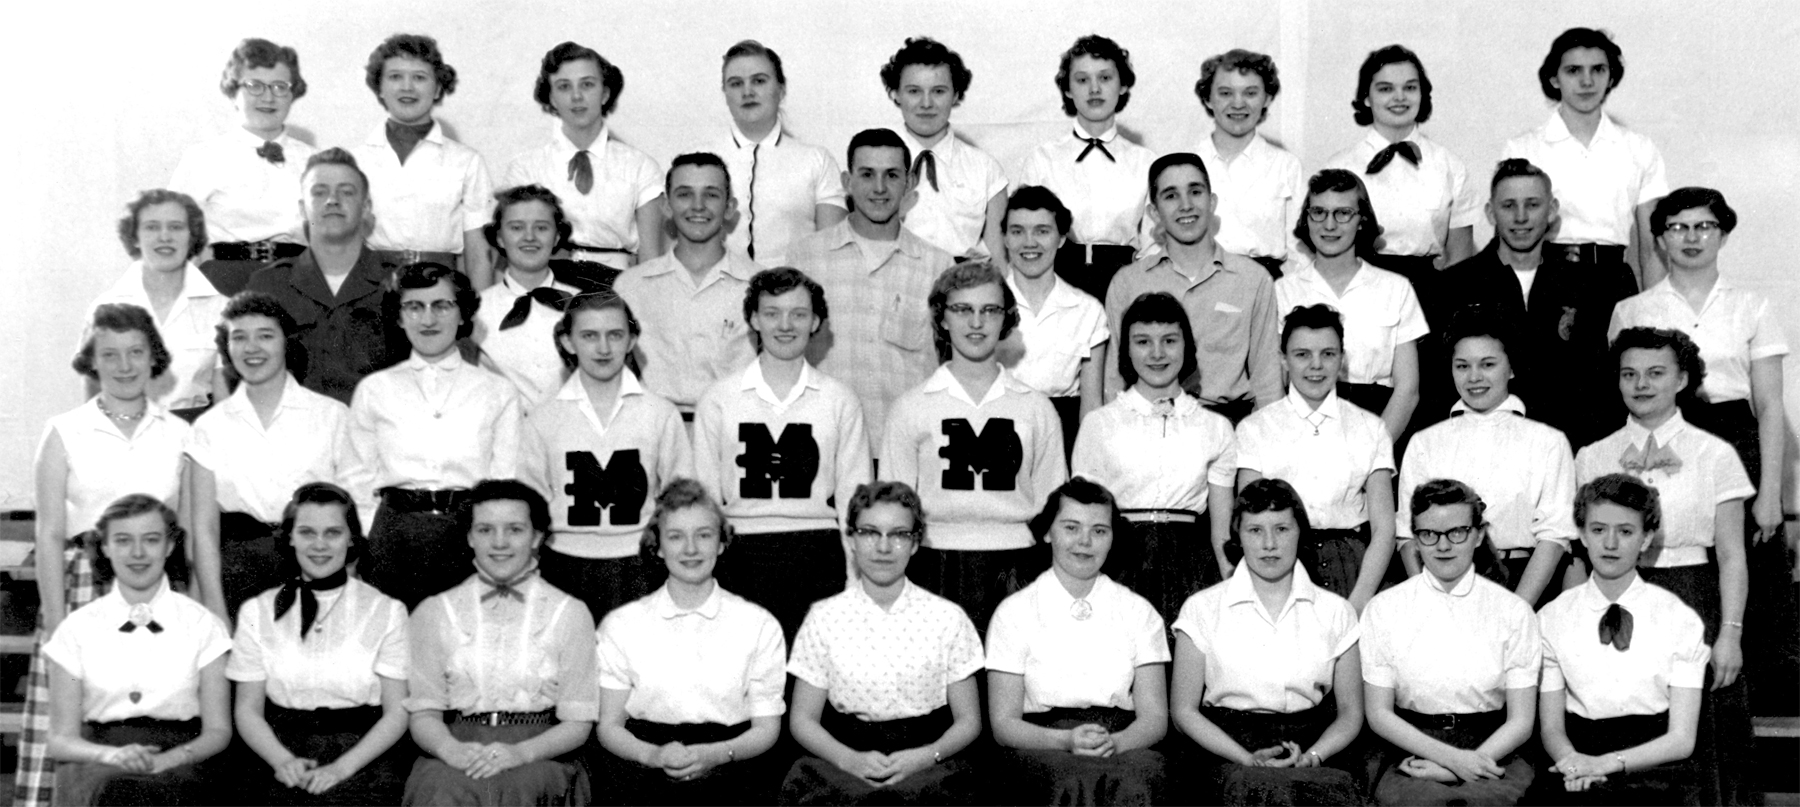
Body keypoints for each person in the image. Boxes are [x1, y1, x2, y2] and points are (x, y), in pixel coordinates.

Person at [1611, 187, 1796, 719]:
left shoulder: (1751, 306)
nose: (1691, 238)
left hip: (1738, 439)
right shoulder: (1633, 308)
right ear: (1661, 239)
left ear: (1723, 234)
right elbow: (1628, 390)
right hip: (1665, 435)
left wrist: (1770, 494)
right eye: (1678, 227)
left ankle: (1750, 699)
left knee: (1750, 566)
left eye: (1704, 226)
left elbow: (1768, 403)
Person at [18, 305, 194, 807]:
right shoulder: (65, 430)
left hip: (155, 587)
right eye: (109, 355)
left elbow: (187, 534)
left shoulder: (179, 433)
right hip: (81, 586)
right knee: (75, 720)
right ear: (90, 362)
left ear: (153, 358)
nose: (123, 365)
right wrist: (56, 622)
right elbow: (50, 532)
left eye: (135, 352)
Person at [1574, 326, 1755, 806]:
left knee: (1704, 722)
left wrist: (1731, 632)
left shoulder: (1715, 454)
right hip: (1617, 592)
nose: (1641, 384)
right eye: (1629, 373)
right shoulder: (1593, 455)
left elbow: (1732, 554)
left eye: (1656, 373)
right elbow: (1580, 550)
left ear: (1682, 379)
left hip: (1692, 592)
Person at [881, 261, 1067, 633]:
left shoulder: (1035, 408)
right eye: (963, 310)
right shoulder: (911, 407)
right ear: (942, 318)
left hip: (1017, 568)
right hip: (934, 564)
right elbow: (893, 512)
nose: (976, 322)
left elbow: (1053, 510)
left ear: (1006, 319)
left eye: (990, 310)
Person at [778, 481, 985, 805]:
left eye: (899, 534)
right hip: (845, 756)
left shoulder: (948, 618)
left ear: (916, 543)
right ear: (851, 539)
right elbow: (802, 720)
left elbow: (969, 720)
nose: (883, 547)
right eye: (870, 532)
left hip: (928, 757)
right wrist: (848, 759)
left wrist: (926, 756)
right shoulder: (824, 617)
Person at [694, 267, 871, 641]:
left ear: (817, 321)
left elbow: (853, 500)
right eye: (772, 313)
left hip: (816, 553)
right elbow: (705, 499)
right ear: (754, 319)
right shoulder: (719, 399)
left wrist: (856, 580)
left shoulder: (840, 399)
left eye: (799, 314)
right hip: (740, 552)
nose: (785, 325)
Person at [1169, 478, 1364, 806]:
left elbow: (1350, 713)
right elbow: (1183, 712)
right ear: (1238, 537)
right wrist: (1245, 759)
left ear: (1300, 532)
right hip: (1225, 750)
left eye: (1282, 529)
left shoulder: (1337, 611)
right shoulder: (1202, 608)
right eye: (1255, 530)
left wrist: (1314, 756)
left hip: (1310, 748)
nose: (1269, 543)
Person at [340, 262, 523, 608]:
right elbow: (357, 480)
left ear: (463, 314)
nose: (428, 320)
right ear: (398, 316)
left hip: (466, 538)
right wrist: (366, 548)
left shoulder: (497, 391)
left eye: (441, 306)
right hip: (393, 537)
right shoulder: (375, 390)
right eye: (414, 307)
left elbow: (505, 479)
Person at [402, 480, 597, 805]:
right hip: (458, 747)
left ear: (536, 537)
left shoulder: (570, 613)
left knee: (526, 785)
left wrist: (521, 753)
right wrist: (453, 751)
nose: (500, 542)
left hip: (540, 750)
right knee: (441, 786)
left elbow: (578, 723)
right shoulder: (434, 612)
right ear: (469, 536)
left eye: (515, 529)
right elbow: (423, 714)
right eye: (485, 529)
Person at [596, 479, 787, 805]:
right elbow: (609, 726)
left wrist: (715, 754)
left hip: (731, 764)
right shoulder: (621, 625)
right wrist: (653, 755)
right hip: (645, 764)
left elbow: (767, 730)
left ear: (722, 543)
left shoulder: (758, 624)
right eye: (676, 537)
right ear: (657, 547)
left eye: (704, 535)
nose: (690, 549)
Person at [987, 478, 1170, 806]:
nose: (1085, 542)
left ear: (1113, 538)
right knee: (1067, 782)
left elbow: (1155, 718)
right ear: (1047, 532)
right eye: (1071, 527)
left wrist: (1113, 744)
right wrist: (1066, 740)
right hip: (1043, 744)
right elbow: (1003, 724)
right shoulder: (1014, 612)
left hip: (1122, 742)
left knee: (1140, 780)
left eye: (1099, 530)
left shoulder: (1139, 611)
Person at [228, 482, 412, 806]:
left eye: (333, 533)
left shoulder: (386, 611)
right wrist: (282, 761)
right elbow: (247, 709)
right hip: (278, 748)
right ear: (289, 537)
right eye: (307, 532)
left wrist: (342, 769)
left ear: (351, 538)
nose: (319, 545)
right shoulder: (257, 610)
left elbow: (396, 714)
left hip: (362, 753)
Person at [44, 495, 233, 806]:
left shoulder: (203, 624)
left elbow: (218, 730)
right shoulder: (77, 628)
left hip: (184, 754)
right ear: (104, 546)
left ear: (169, 546)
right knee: (117, 791)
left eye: (151, 539)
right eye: (122, 540)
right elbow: (60, 740)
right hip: (99, 756)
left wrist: (170, 759)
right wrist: (114, 755)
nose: (137, 553)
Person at [1361, 479, 1541, 806]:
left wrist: (1463, 766)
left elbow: (1521, 721)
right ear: (1415, 539)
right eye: (1429, 535)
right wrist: (1450, 759)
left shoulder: (1514, 612)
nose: (1443, 546)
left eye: (1457, 532)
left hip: (1494, 749)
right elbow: (1378, 713)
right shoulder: (1384, 609)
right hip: (1411, 749)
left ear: (1479, 534)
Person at [1532, 474, 1709, 805]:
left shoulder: (1678, 619)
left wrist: (1605, 765)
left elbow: (1682, 739)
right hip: (1576, 757)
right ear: (1582, 534)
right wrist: (1573, 763)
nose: (1610, 544)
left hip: (1653, 765)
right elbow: (1552, 728)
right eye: (1598, 530)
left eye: (1625, 532)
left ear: (1646, 539)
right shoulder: (1551, 618)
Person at [519, 292, 693, 623]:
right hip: (564, 564)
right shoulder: (543, 419)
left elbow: (680, 499)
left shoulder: (660, 413)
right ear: (567, 342)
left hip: (639, 565)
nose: (603, 348)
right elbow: (530, 504)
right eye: (589, 336)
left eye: (615, 335)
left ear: (632, 340)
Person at [1428, 158, 1626, 444]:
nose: (1521, 217)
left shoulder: (1587, 286)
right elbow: (1439, 384)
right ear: (1490, 212)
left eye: (1532, 204)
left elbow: (1599, 382)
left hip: (1570, 442)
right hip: (1479, 443)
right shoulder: (1453, 286)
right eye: (1508, 206)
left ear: (1552, 210)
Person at [787, 128, 956, 461]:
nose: (879, 188)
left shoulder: (939, 266)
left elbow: (950, 368)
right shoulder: (805, 259)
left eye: (891, 175)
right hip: (820, 449)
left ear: (909, 184)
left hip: (907, 452)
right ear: (847, 182)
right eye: (867, 175)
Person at [1074, 291, 1237, 627]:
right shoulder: (1099, 423)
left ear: (1186, 347)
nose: (1157, 353)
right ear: (1126, 350)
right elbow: (1085, 519)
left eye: (1169, 340)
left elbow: (1223, 533)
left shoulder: (1215, 427)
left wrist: (1233, 591)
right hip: (1121, 562)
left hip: (1191, 565)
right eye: (1143, 341)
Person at [1397, 311, 1576, 608]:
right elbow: (1406, 532)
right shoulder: (1425, 442)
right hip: (1444, 584)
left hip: (1525, 582)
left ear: (1511, 368)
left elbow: (1555, 536)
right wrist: (1430, 601)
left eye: (1488, 364)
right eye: (1462, 366)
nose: (1474, 377)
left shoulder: (1548, 441)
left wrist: (1518, 609)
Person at [189, 292, 349, 623]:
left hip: (315, 564)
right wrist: (216, 609)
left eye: (265, 336)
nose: (252, 348)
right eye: (239, 337)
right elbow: (203, 528)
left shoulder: (332, 416)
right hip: (238, 571)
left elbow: (355, 509)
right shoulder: (209, 427)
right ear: (226, 349)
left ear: (286, 343)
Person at [1235, 304, 1396, 611]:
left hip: (1354, 566)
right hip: (1283, 563)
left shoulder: (1370, 428)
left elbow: (1385, 528)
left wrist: (1360, 600)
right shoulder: (1255, 428)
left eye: (1328, 353)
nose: (1316, 365)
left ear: (1342, 358)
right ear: (1283, 360)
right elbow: (1250, 520)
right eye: (1302, 354)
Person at [1102, 153, 1283, 426]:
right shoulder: (1128, 282)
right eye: (1171, 196)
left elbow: (1267, 380)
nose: (1186, 205)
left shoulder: (1253, 279)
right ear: (1154, 213)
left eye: (1195, 192)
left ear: (1212, 202)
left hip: (1229, 423)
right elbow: (1115, 379)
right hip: (1148, 425)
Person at [1502, 27, 1668, 290]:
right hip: (1545, 283)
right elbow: (1508, 241)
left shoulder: (1639, 148)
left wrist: (1653, 314)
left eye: (1598, 70)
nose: (1587, 81)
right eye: (1574, 70)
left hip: (1614, 283)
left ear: (1611, 77)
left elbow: (1652, 248)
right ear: (1554, 79)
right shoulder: (1524, 149)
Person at [247, 148, 409, 405]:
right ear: (302, 208)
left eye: (346, 192)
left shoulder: (401, 285)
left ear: (366, 206)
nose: (332, 200)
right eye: (319, 192)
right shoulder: (269, 285)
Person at [1277, 169, 1427, 441]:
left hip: (1378, 421)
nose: (1329, 225)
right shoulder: (1283, 291)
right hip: (1302, 426)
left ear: (1362, 220)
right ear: (1306, 219)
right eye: (1318, 212)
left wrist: (1375, 453)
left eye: (1343, 213)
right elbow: (1276, 383)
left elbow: (1408, 390)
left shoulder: (1395, 288)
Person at [614, 152, 762, 415]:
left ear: (729, 207)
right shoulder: (630, 287)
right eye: (684, 194)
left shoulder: (760, 286)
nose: (698, 206)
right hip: (655, 431)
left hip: (733, 431)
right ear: (667, 207)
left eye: (711, 194)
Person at [170, 38, 316, 296]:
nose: (268, 97)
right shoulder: (203, 158)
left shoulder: (315, 162)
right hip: (224, 280)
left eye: (279, 86)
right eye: (254, 86)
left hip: (296, 279)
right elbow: (172, 230)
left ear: (293, 94)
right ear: (233, 92)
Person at [1324, 44, 1477, 289]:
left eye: (1410, 88)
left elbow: (1460, 258)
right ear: (1366, 97)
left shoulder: (1449, 165)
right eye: (1386, 89)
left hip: (1430, 292)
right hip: (1360, 288)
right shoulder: (1340, 166)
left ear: (1422, 95)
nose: (1399, 97)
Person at [503, 41, 665, 273]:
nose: (576, 96)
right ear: (551, 98)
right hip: (548, 286)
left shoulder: (641, 167)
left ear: (605, 93)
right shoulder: (525, 170)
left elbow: (651, 259)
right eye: (564, 87)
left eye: (587, 85)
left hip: (617, 288)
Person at [1016, 34, 1155, 301]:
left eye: (1105, 78)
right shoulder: (1043, 159)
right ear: (1067, 89)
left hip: (1126, 284)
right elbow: (1027, 233)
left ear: (1123, 85)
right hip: (1058, 282)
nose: (1094, 89)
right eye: (1082, 80)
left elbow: (1153, 242)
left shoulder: (1145, 162)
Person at [351, 33, 493, 287]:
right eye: (395, 77)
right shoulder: (355, 162)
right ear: (379, 87)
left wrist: (478, 319)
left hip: (440, 289)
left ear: (437, 88)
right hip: (371, 290)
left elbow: (478, 255)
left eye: (419, 77)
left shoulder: (467, 162)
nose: (407, 87)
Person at [89, 189, 228, 416]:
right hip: (126, 434)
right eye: (152, 227)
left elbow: (224, 402)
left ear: (192, 236)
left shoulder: (222, 309)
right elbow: (93, 401)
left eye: (176, 227)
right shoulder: (104, 308)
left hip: (194, 436)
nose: (165, 237)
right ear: (134, 236)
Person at [993, 186, 1109, 455]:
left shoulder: (1088, 310)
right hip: (994, 431)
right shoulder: (986, 306)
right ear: (1005, 239)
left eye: (1042, 231)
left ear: (1060, 238)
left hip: (1062, 436)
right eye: (1017, 231)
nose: (1029, 242)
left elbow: (1091, 406)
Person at [715, 40, 847, 266]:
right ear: (725, 93)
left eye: (759, 81)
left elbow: (832, 255)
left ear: (781, 89)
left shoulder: (816, 160)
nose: (747, 92)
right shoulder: (699, 159)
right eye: (736, 84)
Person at [879, 36, 1008, 260]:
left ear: (956, 94)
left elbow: (999, 257)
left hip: (964, 285)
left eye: (938, 91)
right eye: (914, 91)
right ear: (896, 94)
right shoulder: (873, 163)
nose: (926, 103)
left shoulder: (985, 168)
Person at [472, 184, 595, 408]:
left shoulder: (585, 308)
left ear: (557, 237)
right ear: (499, 238)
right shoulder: (476, 311)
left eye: (541, 228)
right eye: (516, 227)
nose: (529, 237)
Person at [1193, 49, 1304, 279]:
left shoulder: (1286, 166)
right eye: (1225, 93)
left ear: (1268, 98)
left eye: (1250, 93)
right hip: (1198, 284)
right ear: (1207, 98)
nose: (1238, 103)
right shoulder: (1187, 165)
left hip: (1266, 286)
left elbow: (1299, 252)